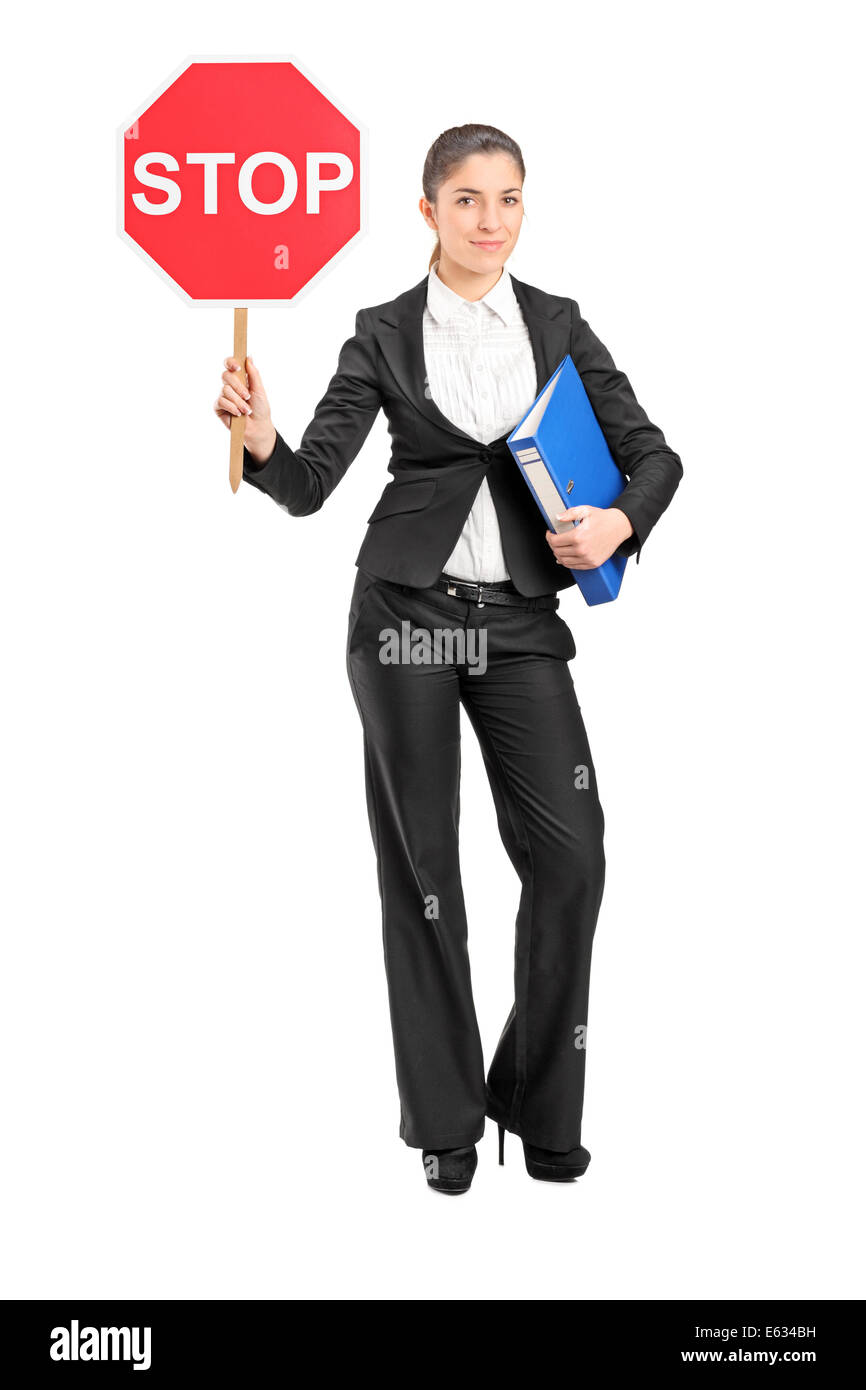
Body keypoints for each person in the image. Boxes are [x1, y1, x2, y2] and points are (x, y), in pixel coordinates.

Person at [214, 124, 682, 1195]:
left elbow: (653, 454)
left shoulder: (557, 324)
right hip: (405, 616)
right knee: (426, 873)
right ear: (427, 212)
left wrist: (615, 521)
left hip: (516, 621)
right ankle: (445, 1120)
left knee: (572, 858)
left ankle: (532, 1095)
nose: (491, 222)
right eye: (467, 201)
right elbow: (307, 483)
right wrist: (261, 435)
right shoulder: (380, 331)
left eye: (509, 200)